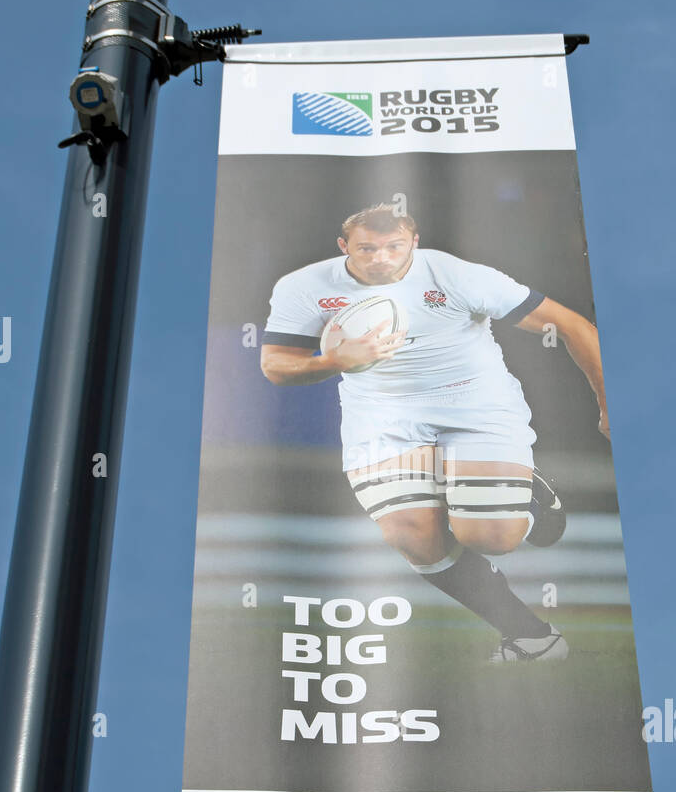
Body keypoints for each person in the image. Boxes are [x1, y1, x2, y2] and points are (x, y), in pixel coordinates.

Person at [260, 203, 609, 662]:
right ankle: (533, 639)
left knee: (490, 537)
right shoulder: (305, 287)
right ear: (344, 246)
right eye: (367, 248)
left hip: (475, 405)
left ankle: (529, 493)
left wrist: (608, 404)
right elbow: (276, 366)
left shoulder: (456, 276)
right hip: (382, 418)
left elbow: (571, 325)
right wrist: (331, 362)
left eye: (394, 247)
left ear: (414, 242)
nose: (381, 257)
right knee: (412, 534)